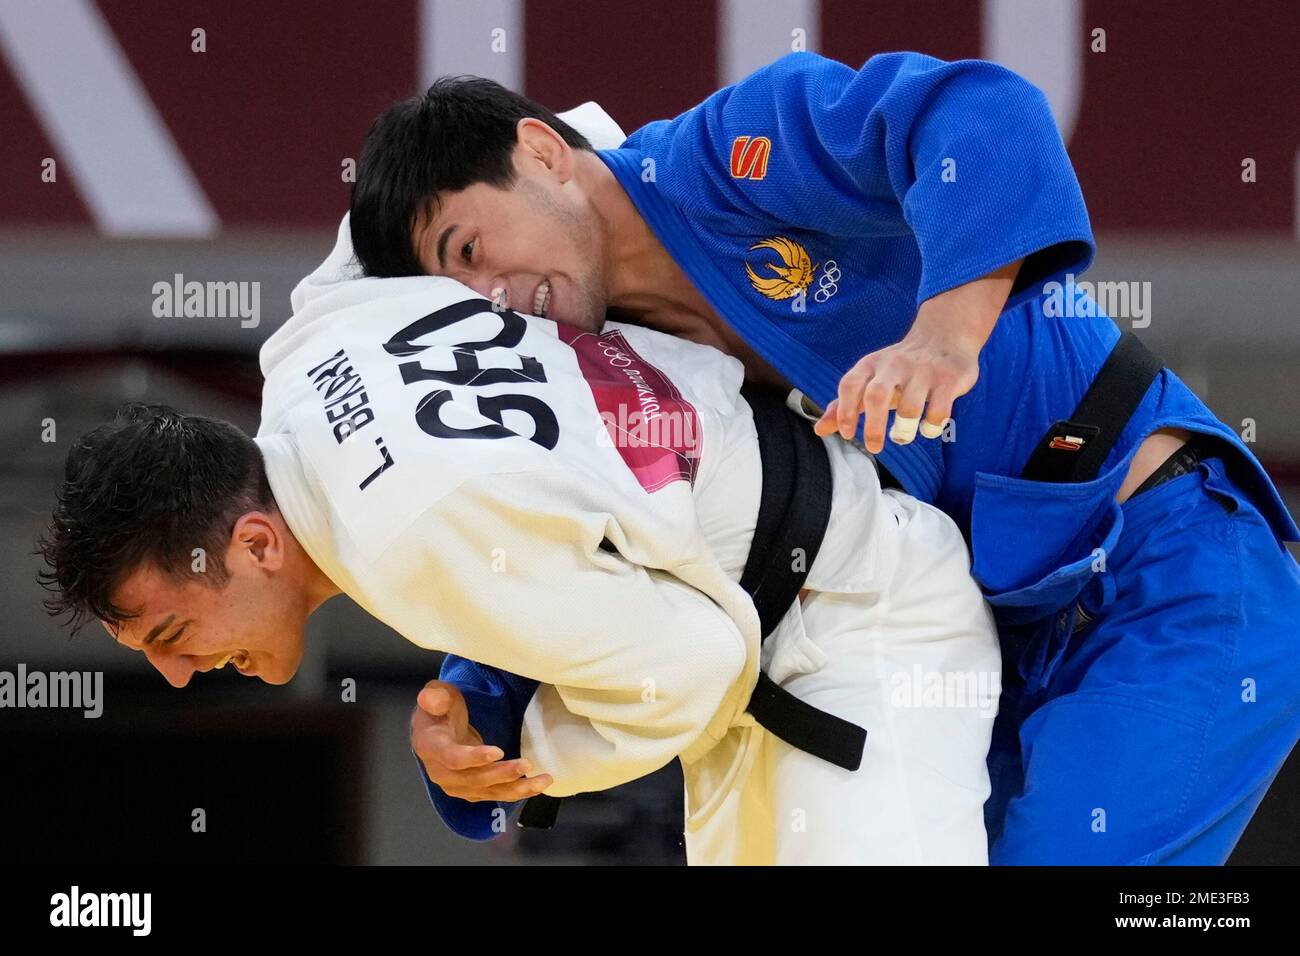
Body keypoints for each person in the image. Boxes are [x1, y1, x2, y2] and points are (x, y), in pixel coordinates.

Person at [350, 50, 1300, 864]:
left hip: (1167, 563)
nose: (494, 297)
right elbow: (574, 532)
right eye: (458, 296)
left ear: (543, 152)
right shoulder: (598, 365)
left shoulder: (728, 156)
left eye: (468, 245)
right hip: (995, 649)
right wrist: (475, 710)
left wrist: (944, 332)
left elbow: (979, 109)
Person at [38, 234, 1000, 865]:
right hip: (788, 592)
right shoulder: (313, 334)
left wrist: (522, 752)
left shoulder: (404, 543)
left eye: (171, 629)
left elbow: (695, 668)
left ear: (253, 542)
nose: (173, 674)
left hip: (859, 630)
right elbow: (545, 141)